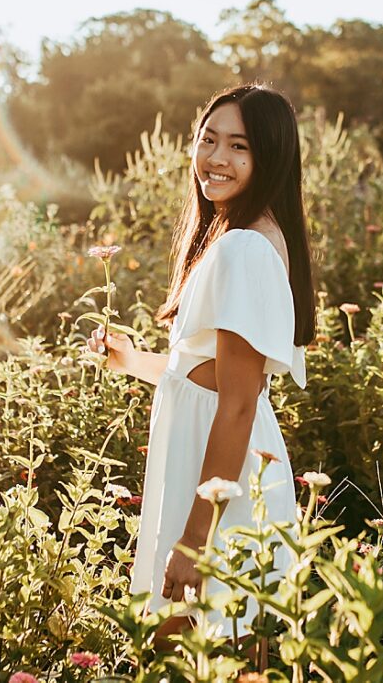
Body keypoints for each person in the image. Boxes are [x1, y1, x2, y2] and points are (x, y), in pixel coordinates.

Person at [83, 82, 316, 666]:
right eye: (208, 139)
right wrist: (135, 361)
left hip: (217, 485)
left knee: (197, 649)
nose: (216, 158)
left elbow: (238, 403)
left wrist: (195, 543)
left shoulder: (243, 248)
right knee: (201, 654)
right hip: (209, 468)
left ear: (270, 158)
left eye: (239, 147)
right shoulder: (242, 237)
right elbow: (207, 375)